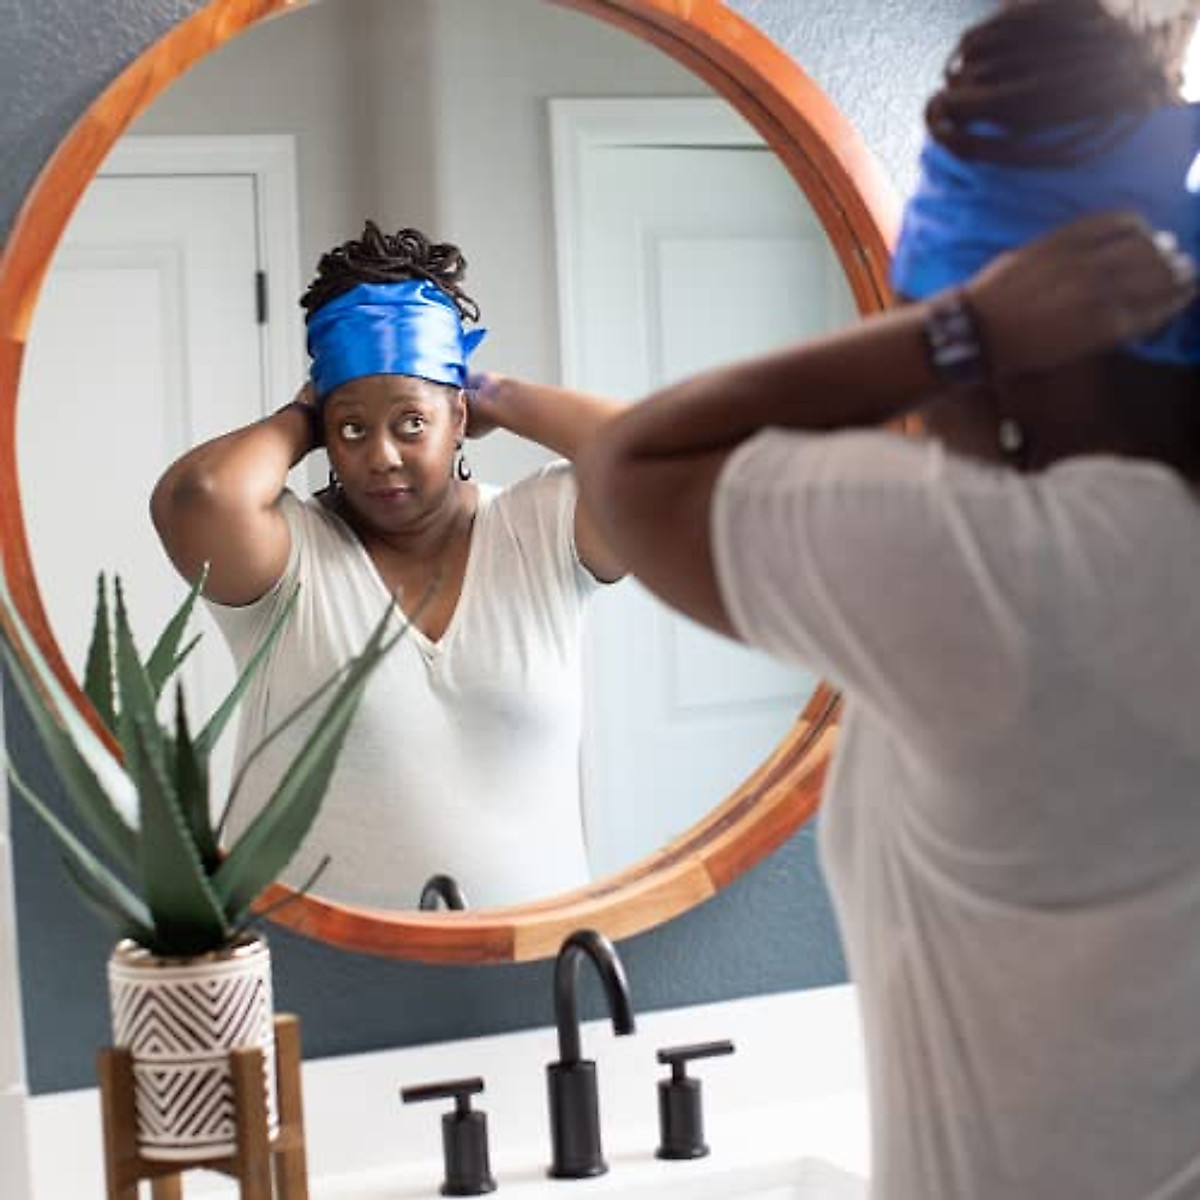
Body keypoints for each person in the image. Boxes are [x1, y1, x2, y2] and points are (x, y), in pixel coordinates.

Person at [563, 3, 1200, 1197]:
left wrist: (961, 329)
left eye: (920, 312)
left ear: (1037, 338)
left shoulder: (1021, 568)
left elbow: (633, 468)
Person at [151, 223, 624, 910]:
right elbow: (203, 495)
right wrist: (304, 411)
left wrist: (500, 393)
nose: (381, 456)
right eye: (350, 429)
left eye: (411, 423)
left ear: (458, 414)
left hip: (535, 972)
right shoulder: (290, 556)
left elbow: (663, 458)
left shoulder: (540, 530)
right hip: (323, 980)